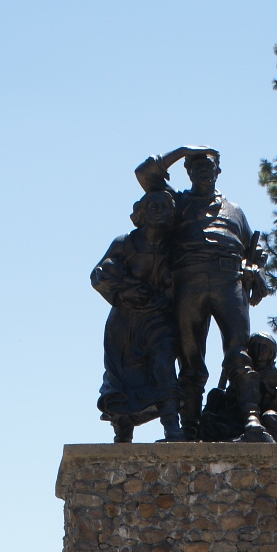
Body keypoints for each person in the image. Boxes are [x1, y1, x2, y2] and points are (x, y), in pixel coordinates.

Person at [134, 147, 269, 439]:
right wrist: (183, 150)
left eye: (208, 165)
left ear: (218, 171)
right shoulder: (177, 203)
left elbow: (255, 247)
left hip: (228, 281)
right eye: (196, 165)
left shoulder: (235, 210)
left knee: (239, 352)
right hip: (188, 282)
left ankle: (251, 419)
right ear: (188, 171)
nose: (203, 170)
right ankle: (190, 426)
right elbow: (144, 174)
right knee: (190, 358)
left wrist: (256, 268)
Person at [90, 189, 182, 442]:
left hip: (159, 319)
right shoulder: (124, 243)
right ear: (140, 213)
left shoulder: (175, 247)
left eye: (165, 207)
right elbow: (98, 275)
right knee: (121, 376)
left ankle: (172, 427)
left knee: (163, 365)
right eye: (153, 206)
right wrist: (127, 289)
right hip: (125, 321)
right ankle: (122, 430)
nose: (159, 211)